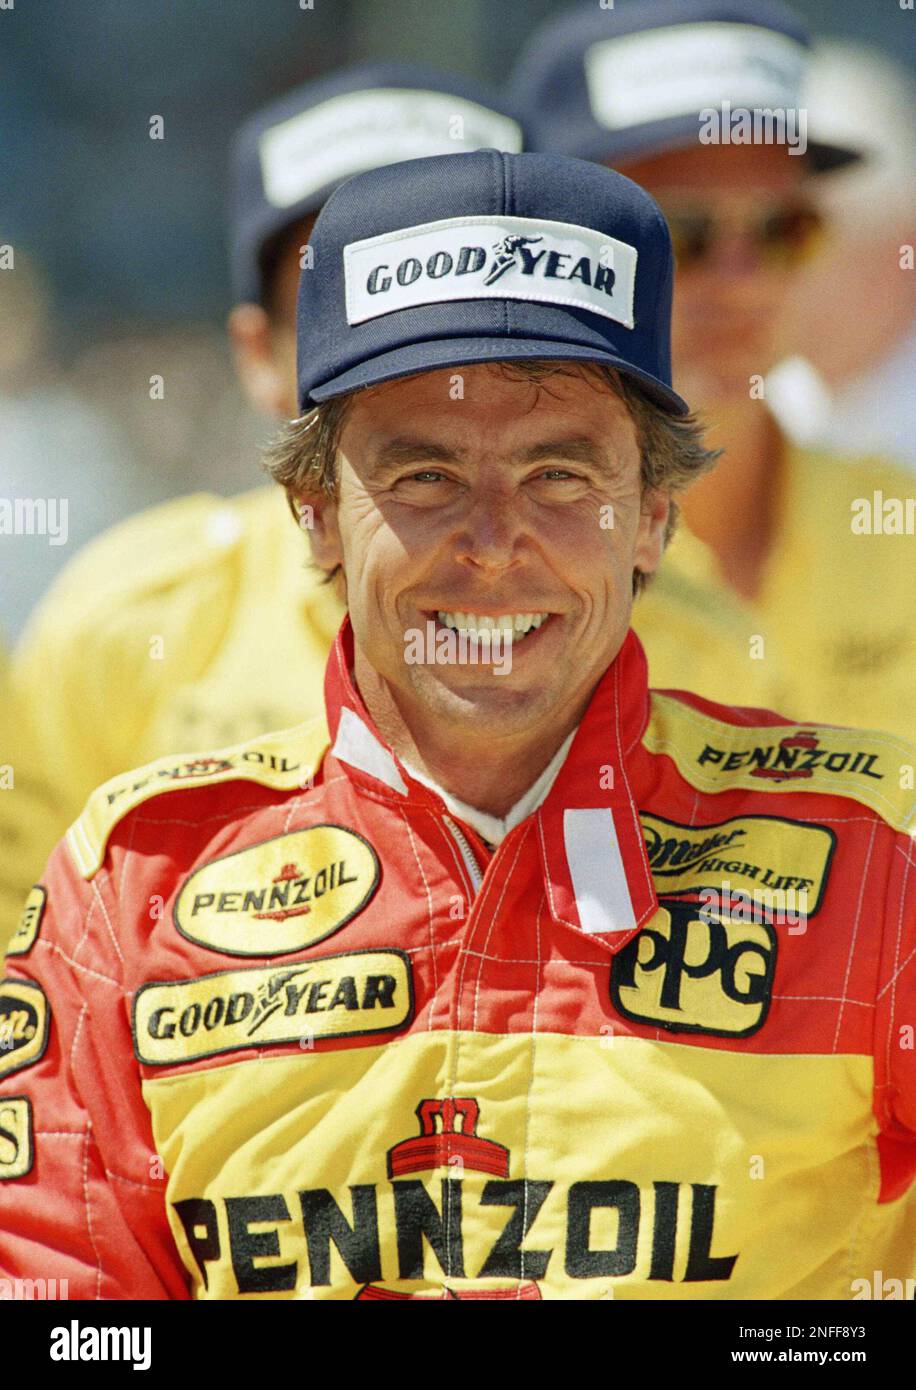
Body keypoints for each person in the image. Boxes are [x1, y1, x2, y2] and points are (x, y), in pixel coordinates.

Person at [1, 150, 912, 1300]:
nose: (492, 543)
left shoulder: (879, 856)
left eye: (559, 475)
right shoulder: (131, 884)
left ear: (654, 518)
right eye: (426, 473)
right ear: (317, 514)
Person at [0, 63, 528, 952]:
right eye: (346, 311)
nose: (408, 361)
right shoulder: (121, 630)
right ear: (256, 352)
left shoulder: (675, 627)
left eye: (459, 296)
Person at [512, 0, 916, 737]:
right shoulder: (489, 567)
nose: (743, 282)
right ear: (546, 248)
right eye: (677, 232)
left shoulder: (902, 529)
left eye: (781, 229)